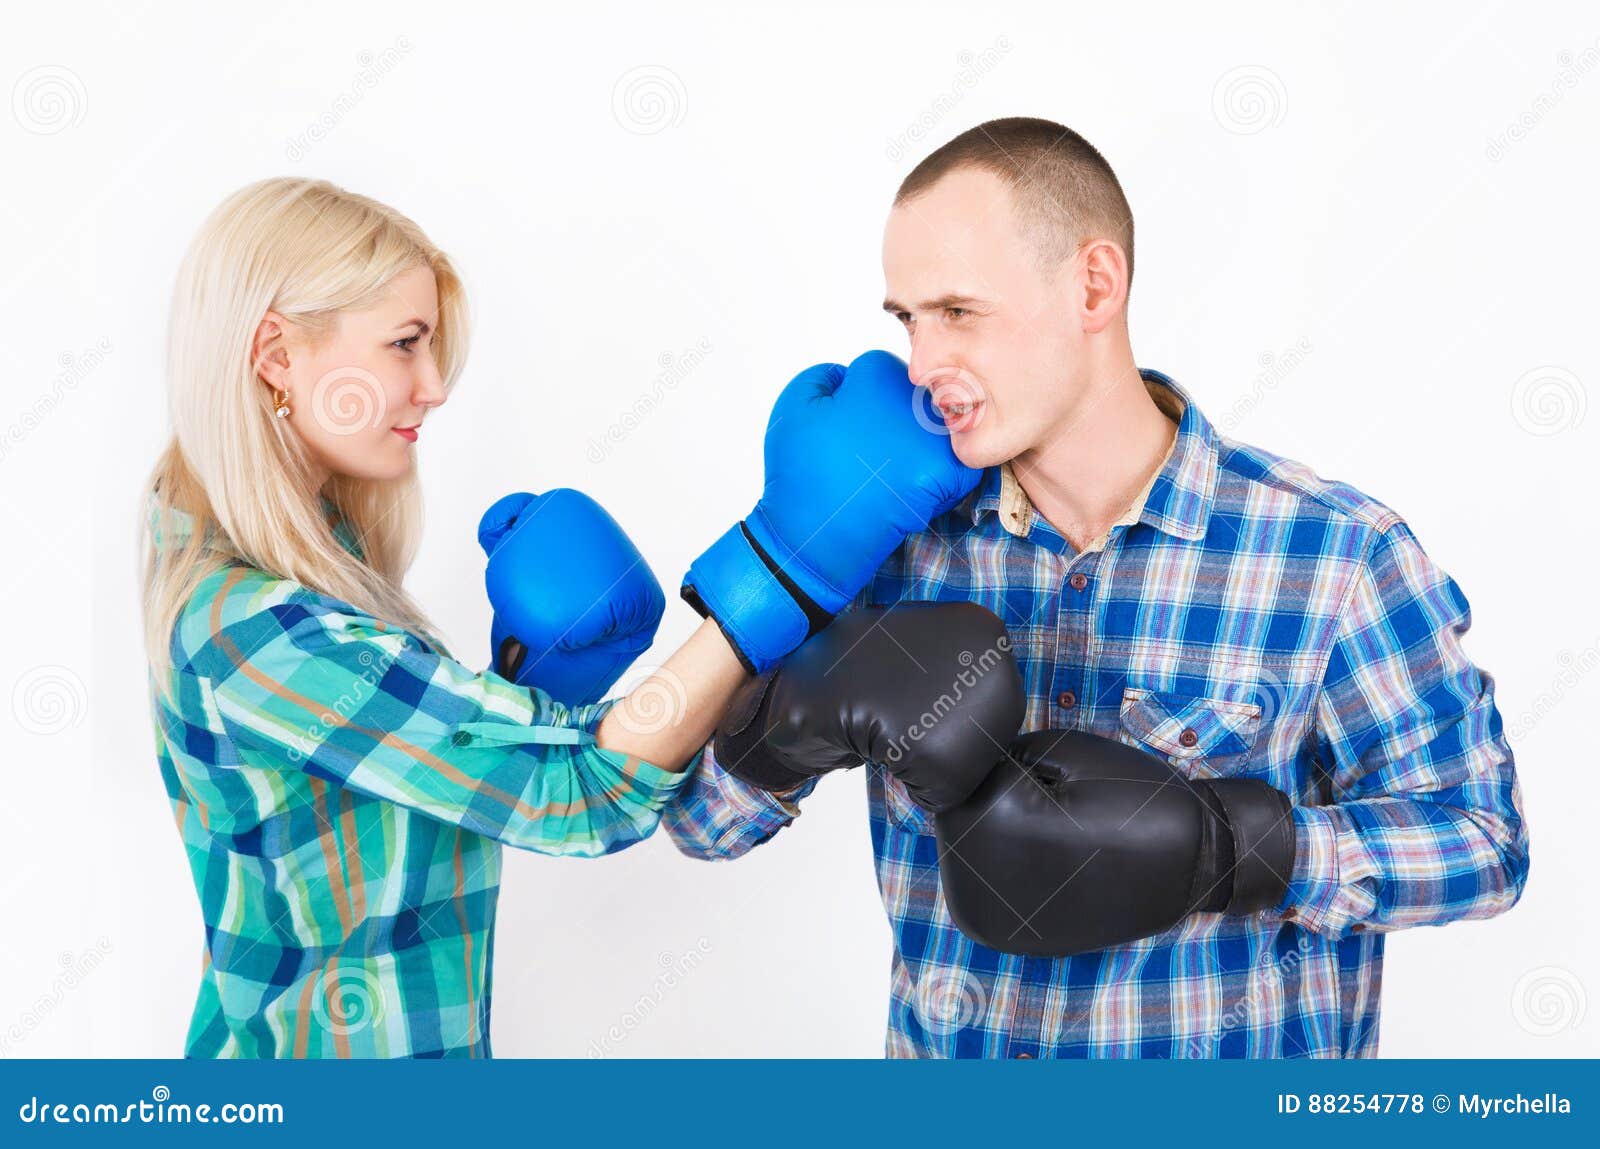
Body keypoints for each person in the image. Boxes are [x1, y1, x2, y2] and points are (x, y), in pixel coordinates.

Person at [663, 117, 1531, 1058]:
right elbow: (703, 826)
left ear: (1094, 285)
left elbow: (1485, 841)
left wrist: (1232, 849)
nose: (920, 367)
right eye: (907, 319)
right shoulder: (894, 550)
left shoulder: (1334, 553)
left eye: (957, 311)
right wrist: (782, 726)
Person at [141, 178, 977, 1057]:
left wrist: (526, 686)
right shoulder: (255, 629)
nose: (433, 385)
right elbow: (582, 797)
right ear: (276, 354)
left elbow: (400, 793)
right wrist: (785, 565)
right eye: (405, 344)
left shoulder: (270, 559)